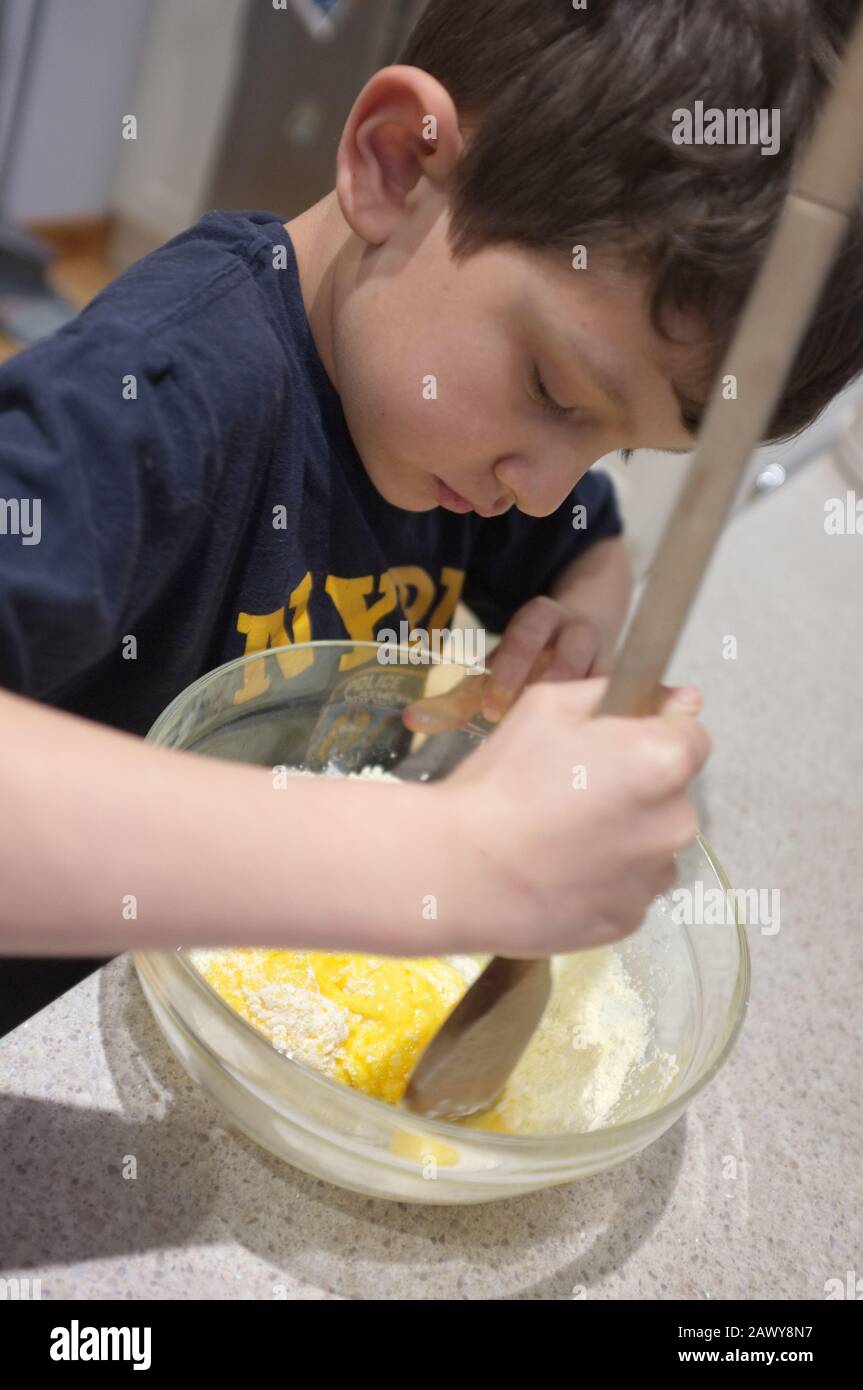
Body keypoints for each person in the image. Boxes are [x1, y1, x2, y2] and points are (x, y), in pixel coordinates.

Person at [0, 0, 860, 958]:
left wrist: (578, 621)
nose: (538, 491)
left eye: (616, 445)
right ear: (397, 163)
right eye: (554, 389)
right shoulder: (147, 405)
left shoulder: (460, 447)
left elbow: (592, 544)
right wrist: (447, 857)